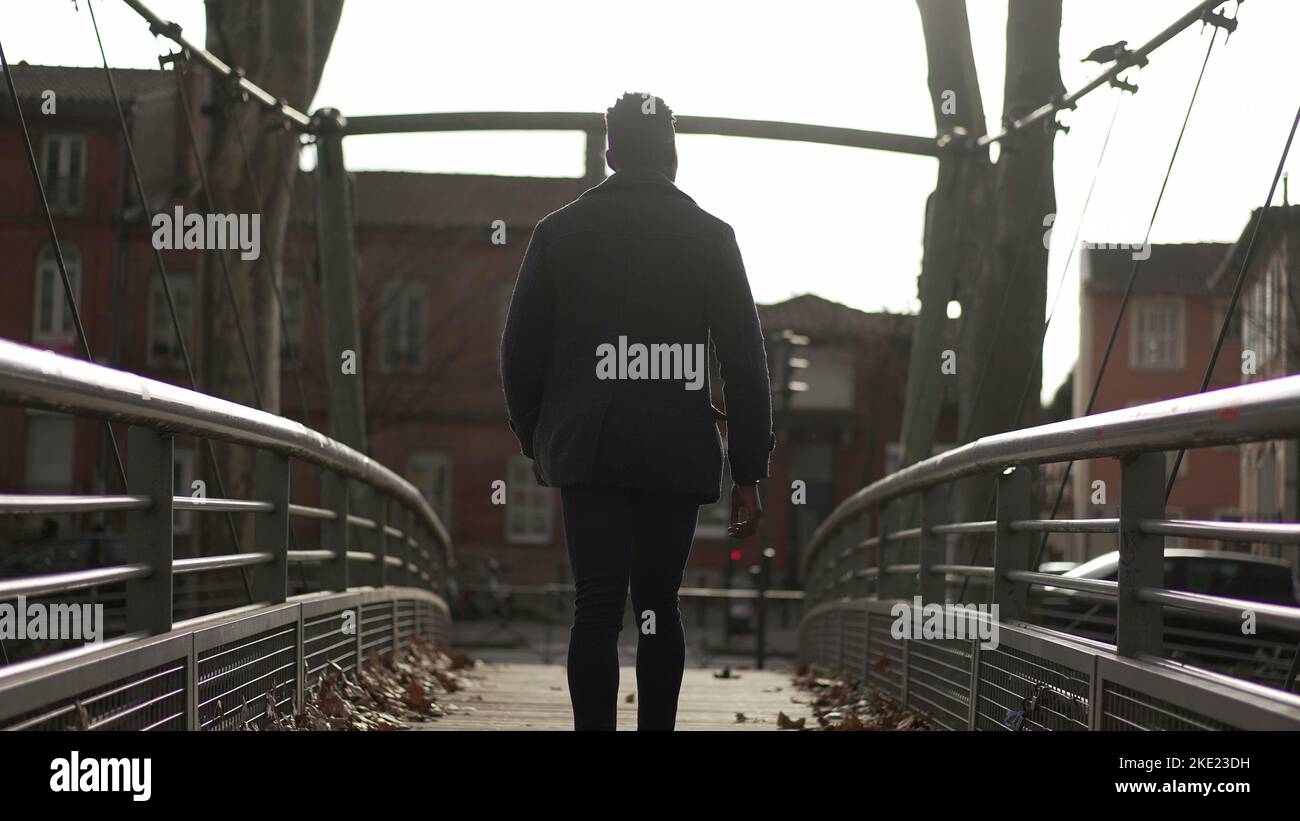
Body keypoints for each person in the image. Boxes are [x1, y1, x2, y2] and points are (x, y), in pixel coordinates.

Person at [500, 92, 774, 731]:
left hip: (588, 448)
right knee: (659, 606)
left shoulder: (559, 232)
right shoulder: (711, 237)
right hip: (674, 448)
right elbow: (745, 362)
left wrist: (536, 437)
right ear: (673, 155)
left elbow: (520, 352)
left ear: (610, 152)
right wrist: (750, 472)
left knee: (595, 607)